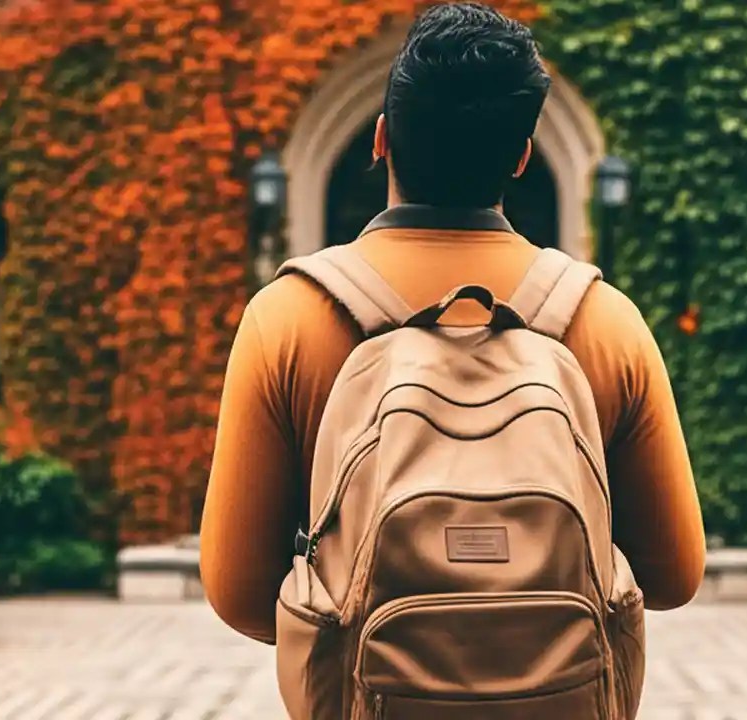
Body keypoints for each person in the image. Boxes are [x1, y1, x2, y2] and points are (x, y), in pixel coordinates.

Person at [201, 0, 704, 668]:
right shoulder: (603, 321)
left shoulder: (288, 317)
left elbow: (239, 593)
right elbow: (672, 577)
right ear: (522, 157)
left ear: (381, 139)